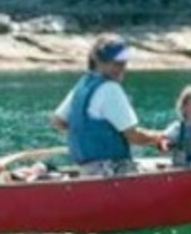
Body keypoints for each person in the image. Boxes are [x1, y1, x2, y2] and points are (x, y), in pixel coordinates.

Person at [50, 32, 169, 176]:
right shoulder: (110, 88)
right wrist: (160, 137)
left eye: (124, 63)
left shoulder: (83, 84)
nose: (121, 68)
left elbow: (58, 121)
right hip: (110, 169)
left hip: (87, 169)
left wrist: (87, 135)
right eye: (116, 63)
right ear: (98, 62)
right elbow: (133, 135)